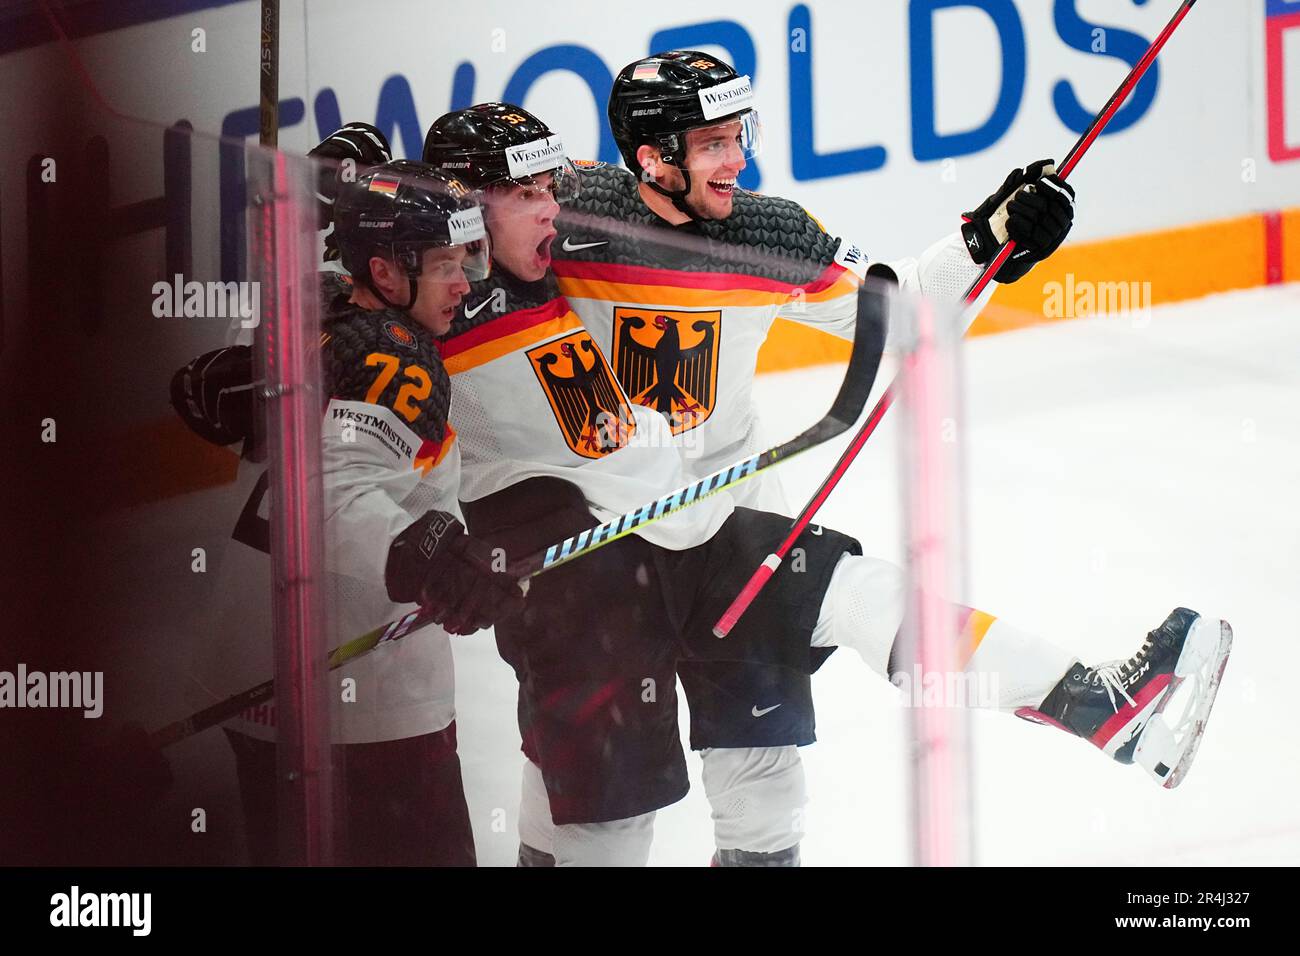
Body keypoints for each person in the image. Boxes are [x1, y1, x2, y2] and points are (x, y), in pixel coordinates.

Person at [421, 107, 1232, 867]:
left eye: (550, 187)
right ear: (653, 155)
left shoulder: (644, 230)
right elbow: (363, 440)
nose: (552, 209)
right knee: (605, 818)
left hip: (691, 524)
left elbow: (899, 307)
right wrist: (428, 543)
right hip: (589, 569)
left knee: (811, 674)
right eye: (528, 195)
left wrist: (990, 240)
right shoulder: (461, 305)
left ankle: (1094, 702)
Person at [171, 155, 521, 865]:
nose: (464, 283)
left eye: (469, 258)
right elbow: (326, 490)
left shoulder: (307, 306)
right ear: (387, 274)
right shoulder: (403, 357)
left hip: (255, 678)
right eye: (445, 262)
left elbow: (215, 400)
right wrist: (421, 552)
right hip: (361, 705)